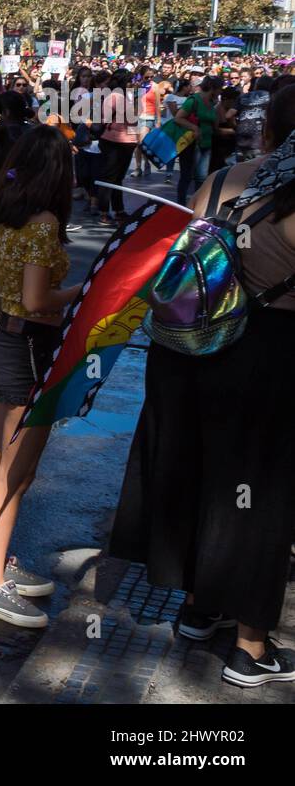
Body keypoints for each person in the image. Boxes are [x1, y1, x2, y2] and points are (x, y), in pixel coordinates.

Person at [110, 86, 295, 687]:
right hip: (265, 357)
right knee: (258, 500)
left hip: (188, 352)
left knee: (202, 479)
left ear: (270, 132)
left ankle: (199, 607)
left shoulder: (219, 181)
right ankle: (250, 647)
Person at [0, 127, 81, 628]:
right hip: (33, 347)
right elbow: (39, 300)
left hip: (5, 342)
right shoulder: (43, 224)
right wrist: (83, 289)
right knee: (17, 472)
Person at [95, 69, 139, 227]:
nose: (133, 83)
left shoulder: (120, 96)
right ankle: (104, 212)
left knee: (117, 178)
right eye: (130, 80)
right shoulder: (116, 97)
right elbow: (129, 119)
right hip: (115, 141)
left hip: (123, 141)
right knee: (110, 178)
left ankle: (118, 210)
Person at [171, 74, 222, 208]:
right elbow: (178, 118)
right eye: (219, 88)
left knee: (201, 178)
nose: (220, 91)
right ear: (212, 88)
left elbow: (214, 125)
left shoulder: (213, 103)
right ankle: (181, 206)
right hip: (190, 144)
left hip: (206, 144)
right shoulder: (193, 100)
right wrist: (194, 128)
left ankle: (196, 206)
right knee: (187, 176)